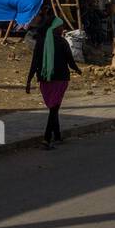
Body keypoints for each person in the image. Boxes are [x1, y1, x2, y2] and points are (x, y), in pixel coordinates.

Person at [26, 15, 82, 150]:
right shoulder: (62, 42)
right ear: (55, 28)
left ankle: (57, 136)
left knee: (53, 107)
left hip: (45, 79)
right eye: (61, 26)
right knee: (54, 108)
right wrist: (78, 70)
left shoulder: (40, 42)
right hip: (60, 79)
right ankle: (46, 139)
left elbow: (34, 62)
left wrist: (28, 80)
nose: (62, 29)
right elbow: (70, 61)